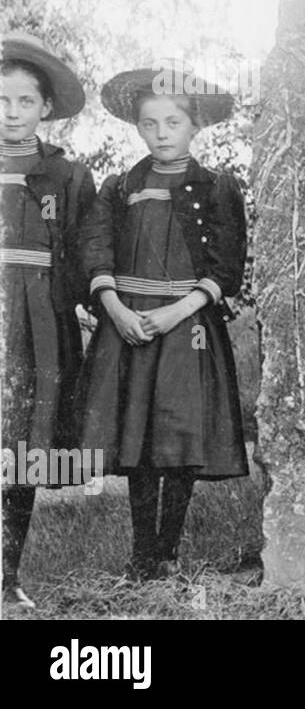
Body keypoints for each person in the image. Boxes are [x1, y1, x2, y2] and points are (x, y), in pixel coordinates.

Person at [77, 64, 248, 580]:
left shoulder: (217, 187)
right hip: (128, 326)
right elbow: (96, 249)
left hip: (186, 327)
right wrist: (116, 309)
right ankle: (141, 554)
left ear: (194, 126)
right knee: (139, 443)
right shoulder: (119, 186)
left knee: (178, 442)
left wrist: (177, 310)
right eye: (150, 124)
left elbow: (227, 265)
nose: (161, 134)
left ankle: (168, 553)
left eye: (173, 123)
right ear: (137, 127)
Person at [1, 33, 96, 609]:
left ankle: (6, 578)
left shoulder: (66, 176)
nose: (12, 112)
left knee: (21, 447)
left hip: (36, 323)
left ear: (45, 109)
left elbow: (86, 252)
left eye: (25, 102)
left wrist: (90, 303)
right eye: (0, 99)